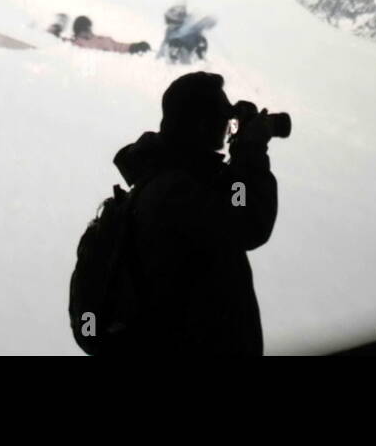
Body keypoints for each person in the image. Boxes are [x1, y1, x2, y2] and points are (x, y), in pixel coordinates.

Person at [111, 72, 278, 354]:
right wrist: (250, 150)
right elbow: (248, 221)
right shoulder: (174, 192)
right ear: (202, 125)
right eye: (223, 118)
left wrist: (242, 151)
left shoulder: (177, 178)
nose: (228, 125)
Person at [67, 15, 150, 54]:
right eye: (85, 30)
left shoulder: (102, 39)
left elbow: (119, 46)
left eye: (88, 29)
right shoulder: (75, 44)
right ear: (78, 32)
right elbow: (62, 45)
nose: (88, 32)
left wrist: (134, 47)